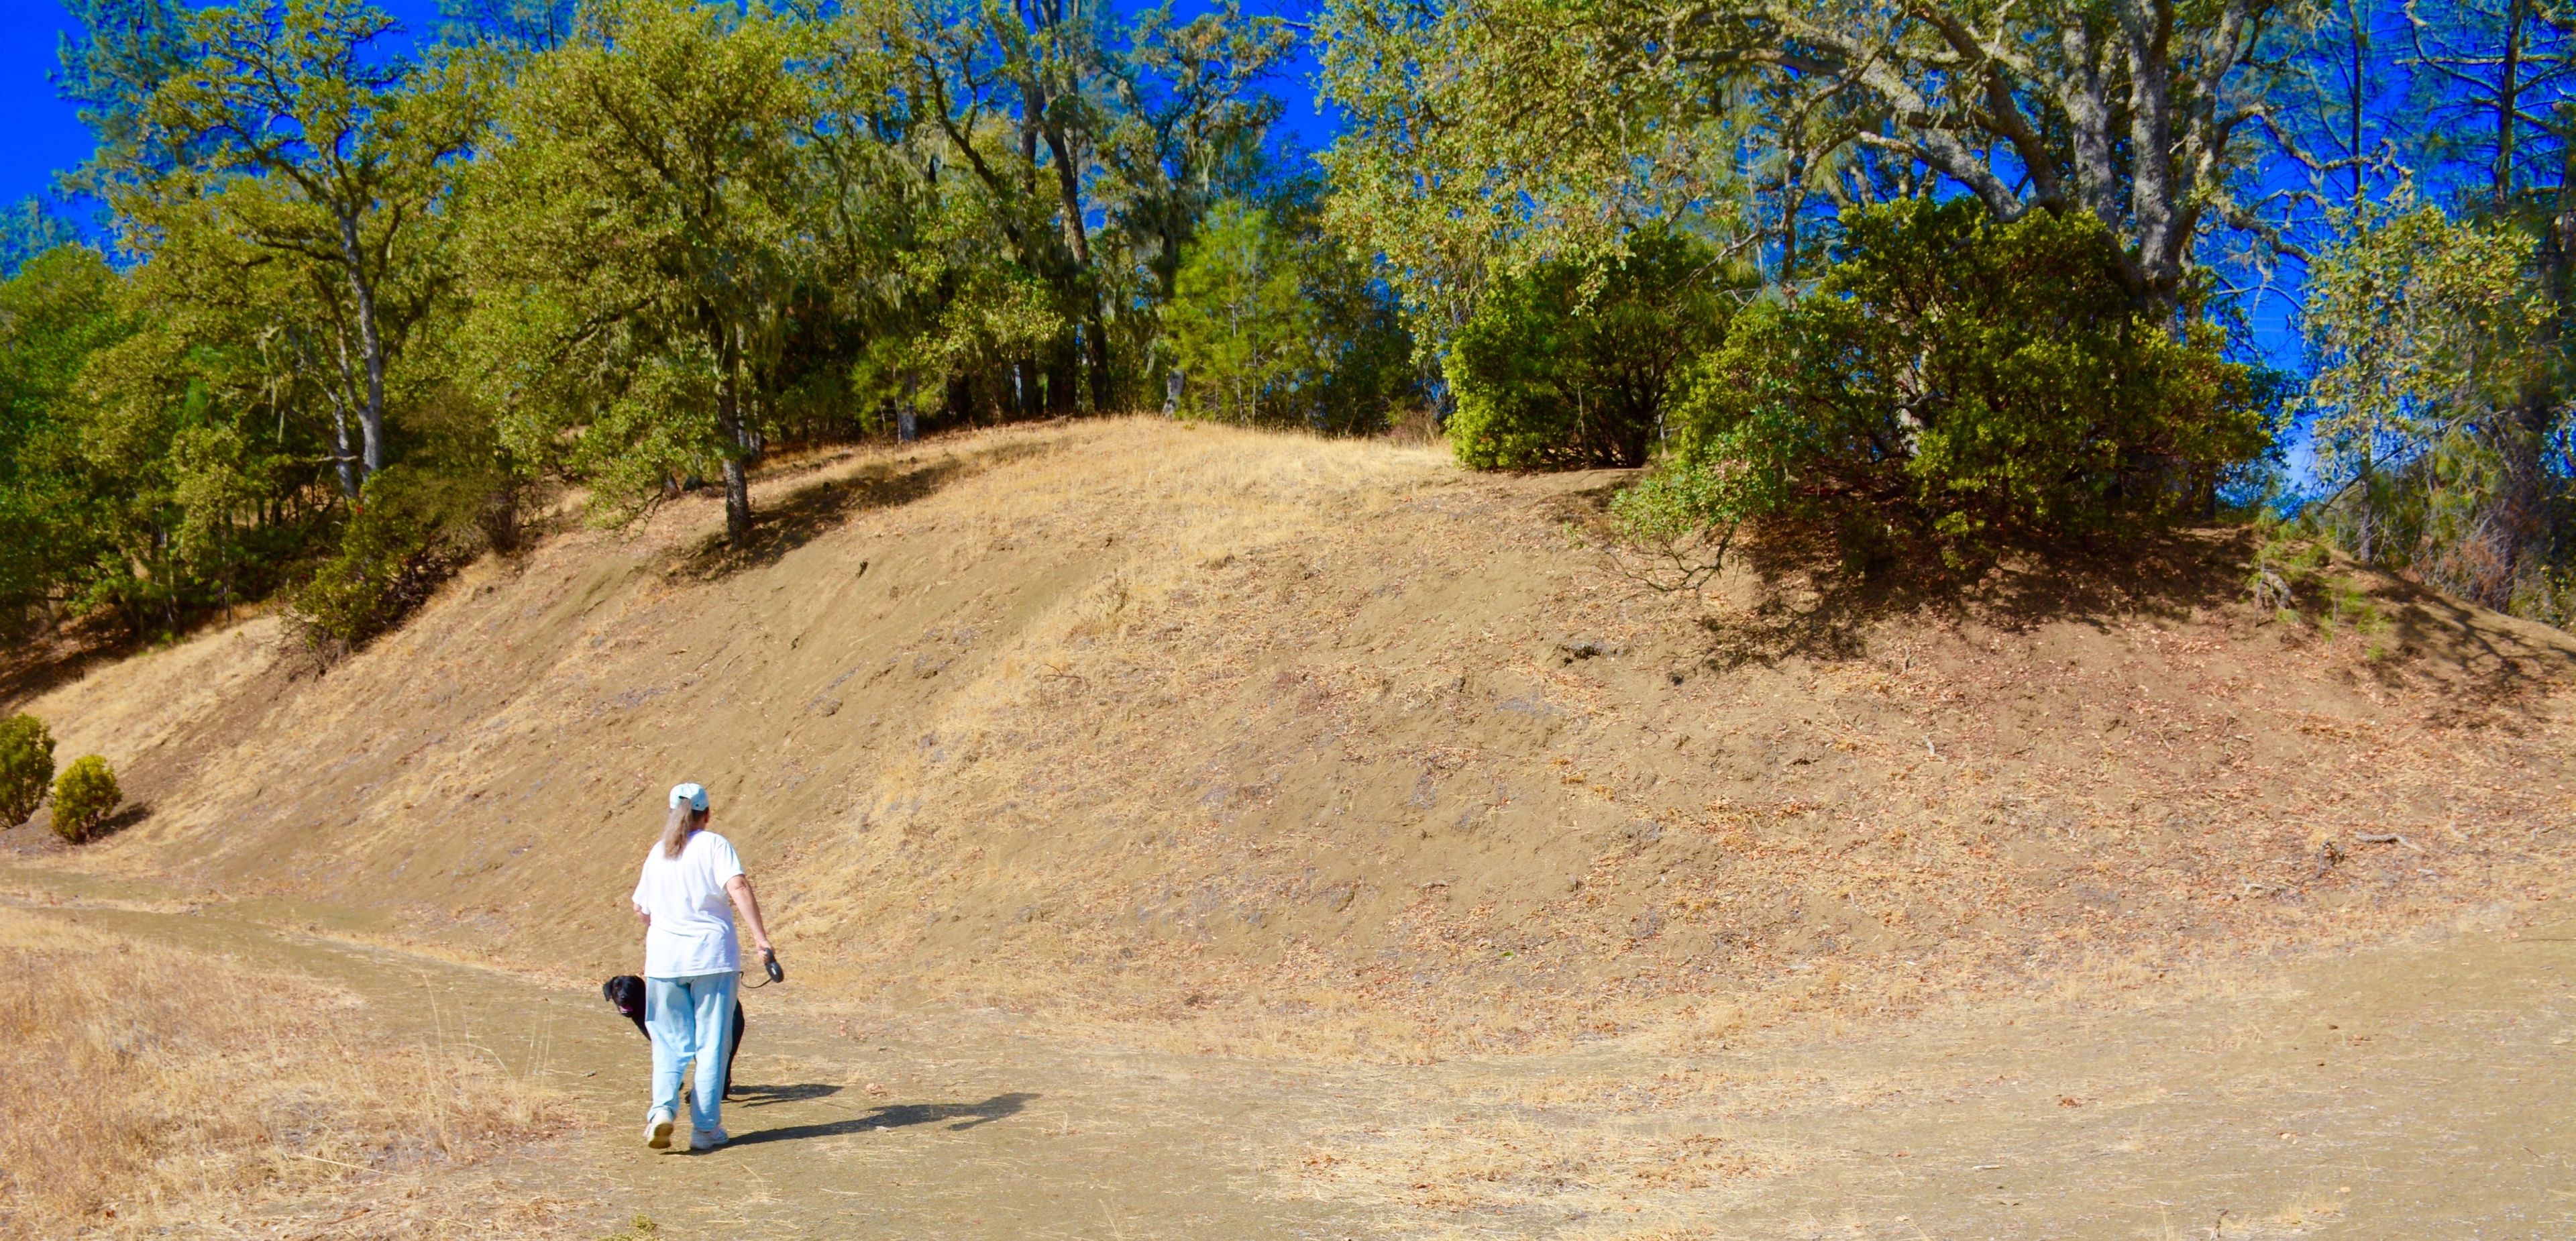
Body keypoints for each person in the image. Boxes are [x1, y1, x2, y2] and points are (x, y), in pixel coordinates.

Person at [631, 781, 775, 1151]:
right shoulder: (714, 844)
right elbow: (738, 886)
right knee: (712, 1043)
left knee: (667, 1044)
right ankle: (706, 1128)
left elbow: (641, 910)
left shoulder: (656, 853)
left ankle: (662, 1111)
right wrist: (761, 938)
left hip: (664, 961)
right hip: (711, 957)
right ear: (706, 814)